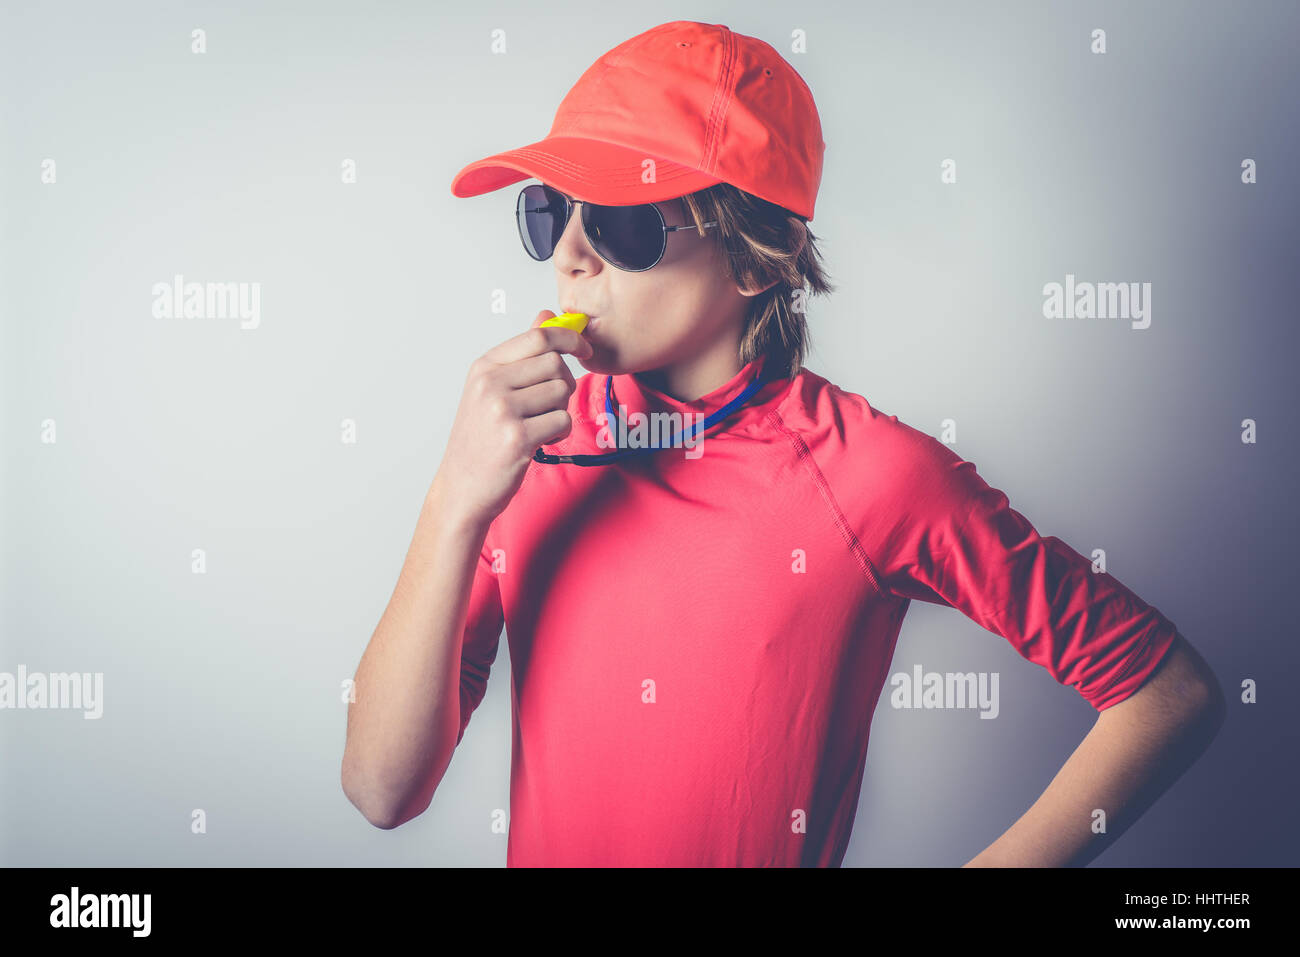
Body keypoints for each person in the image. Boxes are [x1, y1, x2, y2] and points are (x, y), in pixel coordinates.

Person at [341, 20, 1225, 867]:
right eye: (553, 212)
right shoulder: (527, 453)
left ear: (758, 256)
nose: (567, 255)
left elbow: (1166, 690)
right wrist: (452, 500)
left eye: (620, 222)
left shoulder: (871, 477)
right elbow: (381, 789)